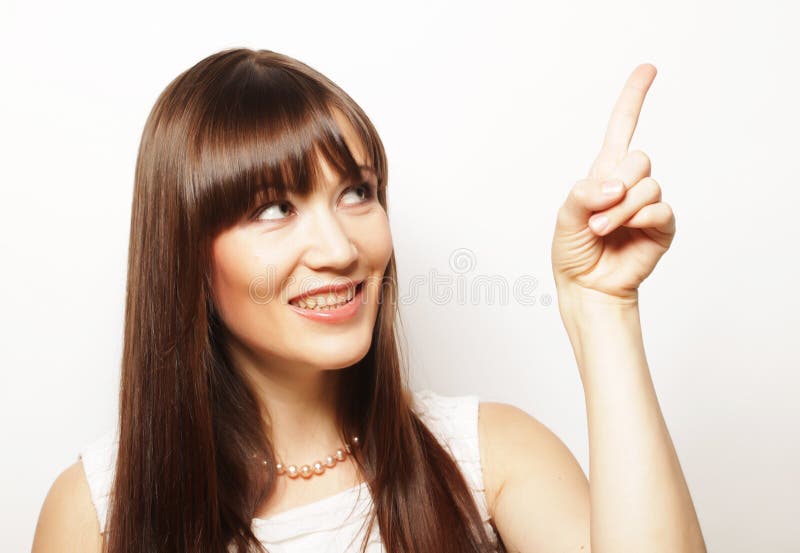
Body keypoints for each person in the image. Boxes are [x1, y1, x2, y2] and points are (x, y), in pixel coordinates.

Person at [31, 48, 706, 553]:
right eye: (273, 207)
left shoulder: (490, 457)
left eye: (357, 192)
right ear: (187, 255)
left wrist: (603, 307)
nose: (337, 247)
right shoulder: (96, 511)